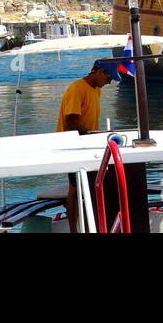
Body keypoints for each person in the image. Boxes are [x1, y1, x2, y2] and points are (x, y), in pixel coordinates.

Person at [57, 59, 123, 232]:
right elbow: (69, 121)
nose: (109, 83)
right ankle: (73, 229)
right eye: (109, 78)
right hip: (72, 145)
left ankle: (90, 225)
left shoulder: (96, 90)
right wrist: (91, 134)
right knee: (75, 186)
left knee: (90, 185)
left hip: (88, 145)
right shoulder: (77, 88)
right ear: (101, 71)